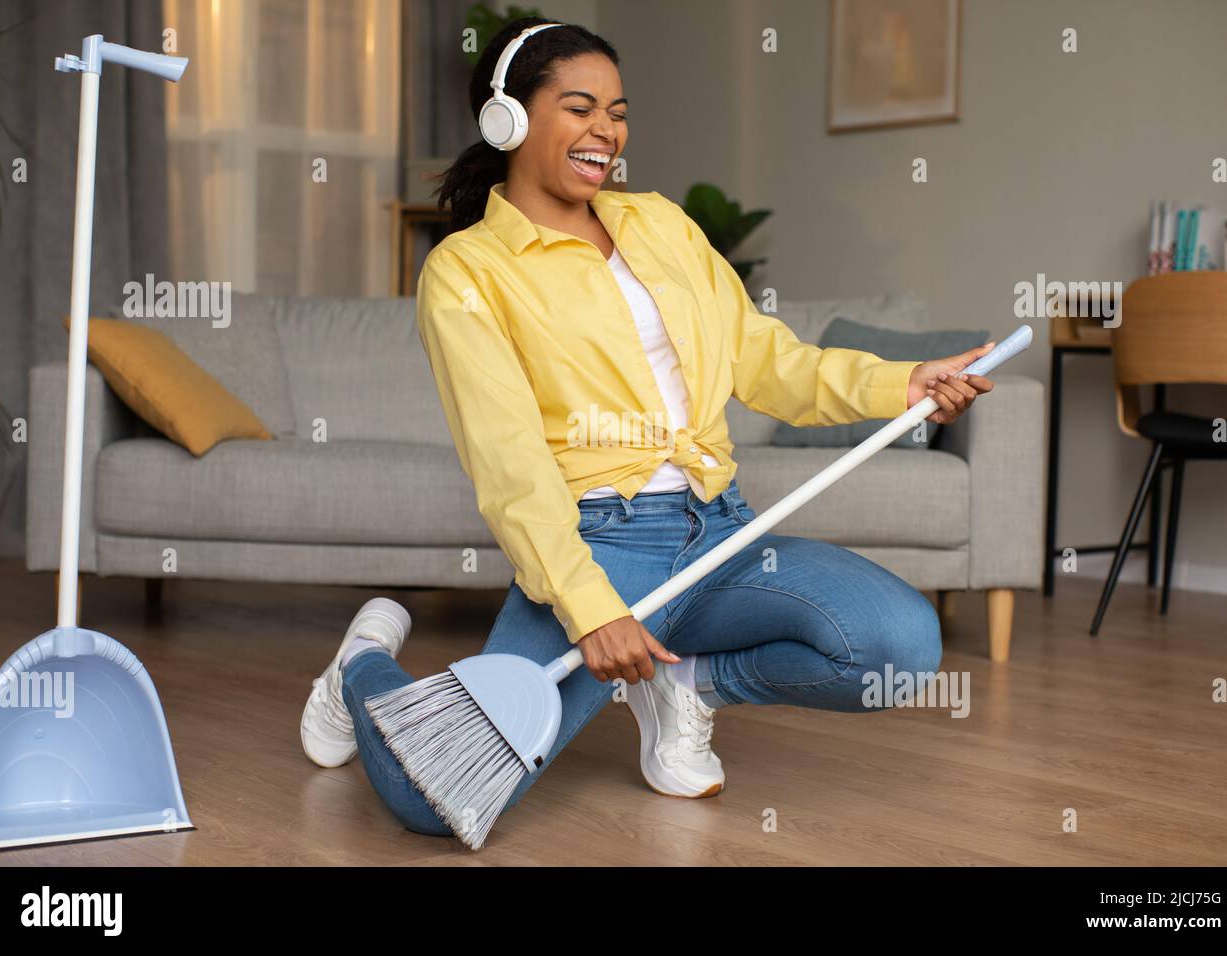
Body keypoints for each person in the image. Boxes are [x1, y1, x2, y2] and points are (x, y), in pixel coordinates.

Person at [301, 17, 994, 838]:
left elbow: (768, 360)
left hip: (722, 530)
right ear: (510, 120)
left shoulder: (660, 224)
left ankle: (687, 683)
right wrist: (592, 608)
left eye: (618, 111)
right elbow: (510, 465)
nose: (607, 130)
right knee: (434, 802)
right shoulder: (467, 274)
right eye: (581, 107)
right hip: (600, 546)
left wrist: (900, 383)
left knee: (898, 646)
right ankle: (360, 666)